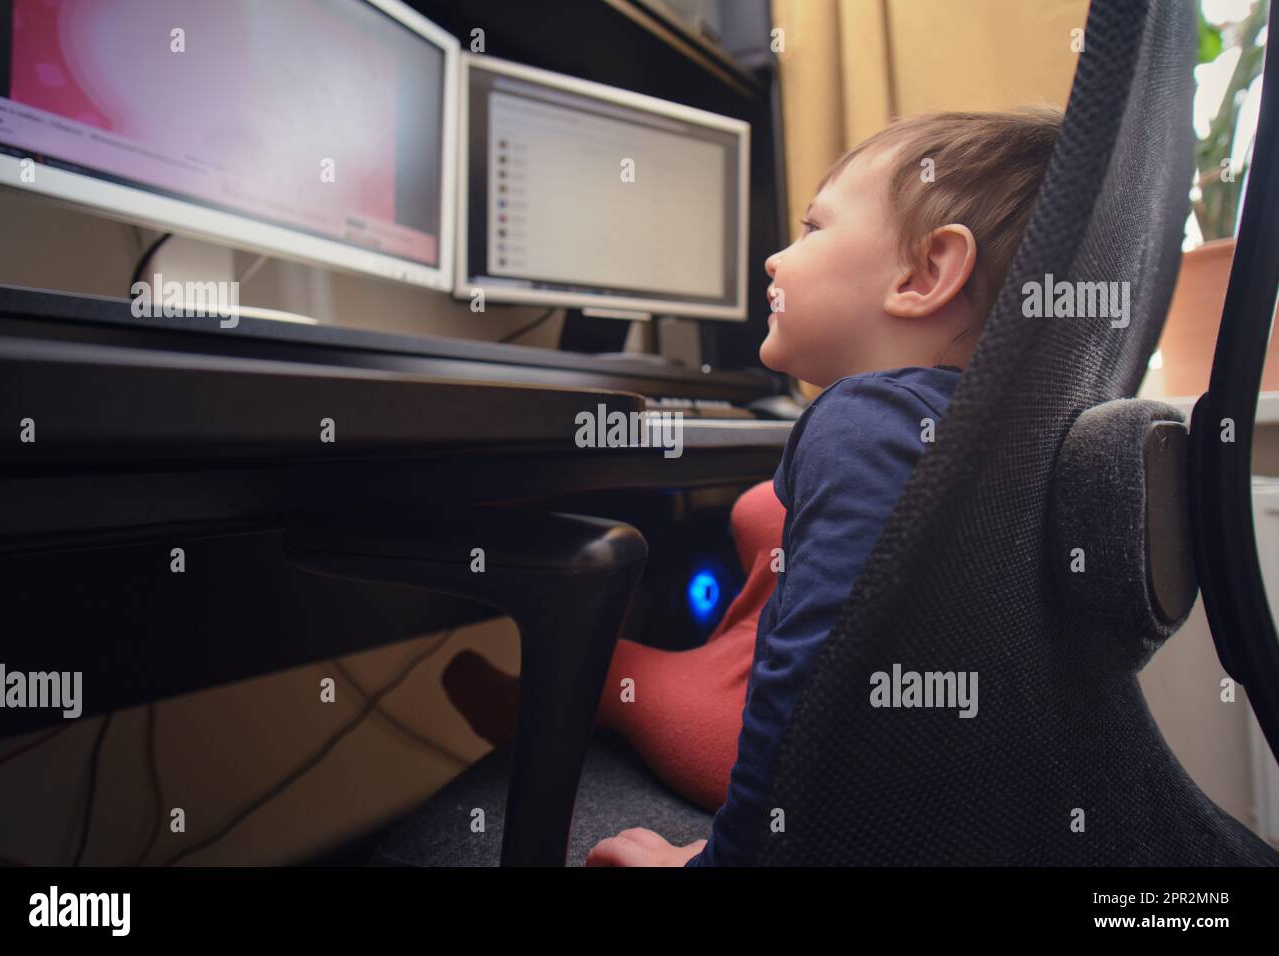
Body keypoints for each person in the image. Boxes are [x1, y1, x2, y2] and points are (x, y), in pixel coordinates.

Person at [451, 108, 1065, 866]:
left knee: (605, 663)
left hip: (794, 771)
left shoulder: (864, 421)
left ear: (925, 274)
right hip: (941, 777)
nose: (776, 260)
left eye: (812, 229)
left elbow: (817, 687)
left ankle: (542, 709)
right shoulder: (981, 423)